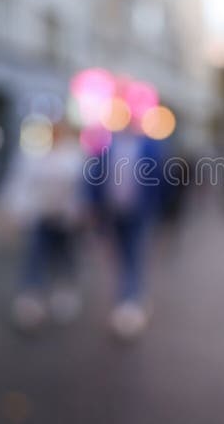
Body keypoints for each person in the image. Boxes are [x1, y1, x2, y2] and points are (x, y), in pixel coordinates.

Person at [0, 122, 85, 332]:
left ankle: (64, 294)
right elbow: (20, 184)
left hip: (66, 219)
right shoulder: (34, 156)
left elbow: (83, 187)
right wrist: (16, 212)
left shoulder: (75, 156)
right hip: (41, 217)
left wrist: (80, 211)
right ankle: (31, 298)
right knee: (36, 257)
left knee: (65, 257)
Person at [84, 124, 163, 340]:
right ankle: (130, 297)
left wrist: (159, 210)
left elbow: (160, 180)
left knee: (133, 256)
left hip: (139, 212)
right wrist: (94, 206)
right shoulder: (107, 149)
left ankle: (130, 303)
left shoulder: (150, 148)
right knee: (120, 256)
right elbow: (95, 178)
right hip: (114, 212)